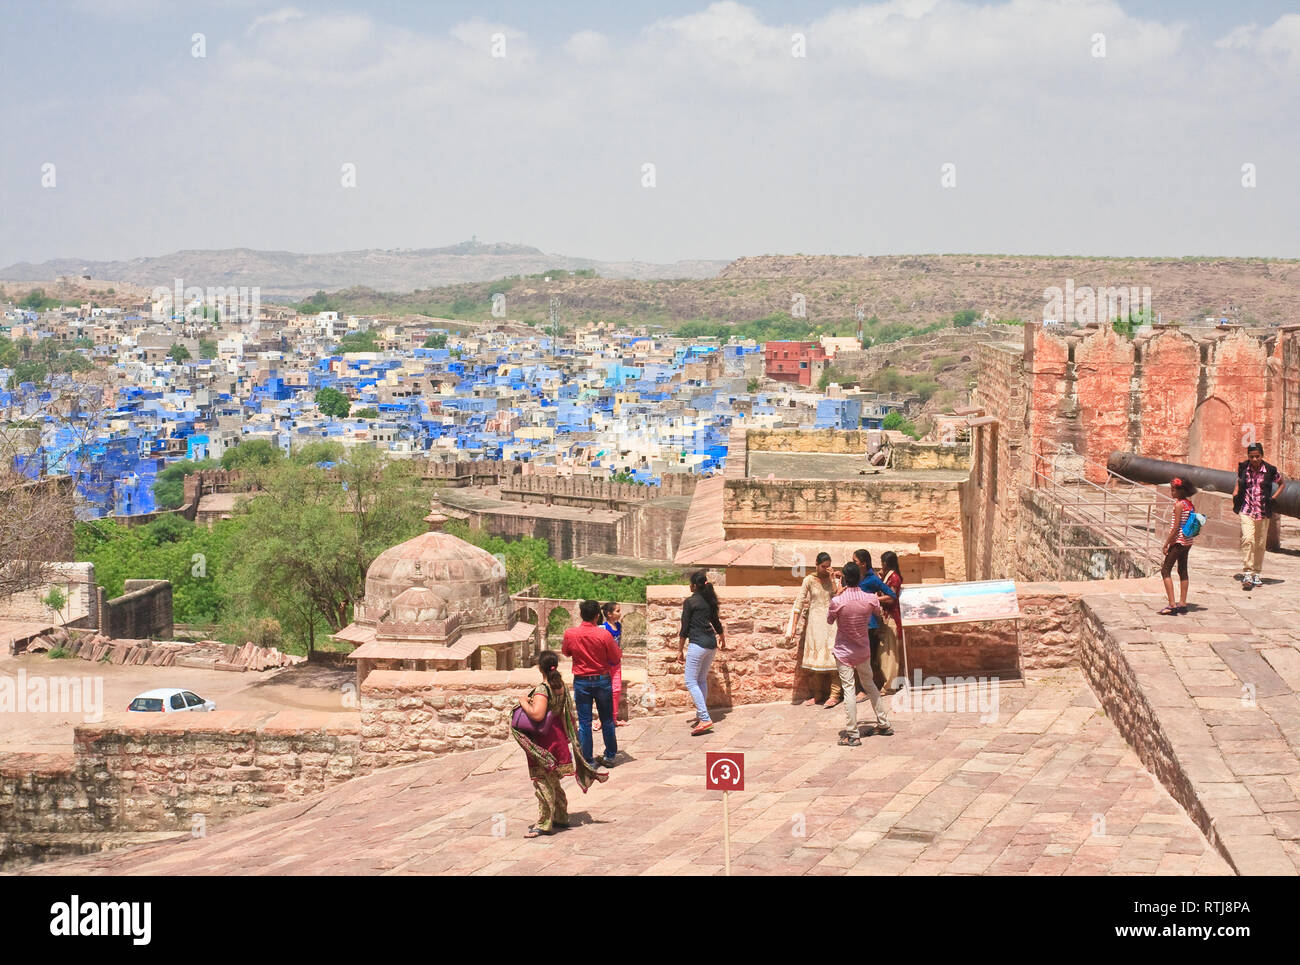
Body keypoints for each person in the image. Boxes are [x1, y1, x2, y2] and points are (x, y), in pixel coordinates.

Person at [512, 649, 607, 838]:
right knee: (553, 780)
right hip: (557, 736)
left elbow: (537, 714)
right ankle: (561, 815)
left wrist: (523, 702)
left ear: (541, 668)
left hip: (544, 741)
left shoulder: (543, 689)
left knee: (542, 782)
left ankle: (544, 823)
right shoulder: (560, 686)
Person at [826, 561, 893, 746]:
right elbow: (877, 612)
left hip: (844, 651)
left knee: (849, 689)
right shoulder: (869, 598)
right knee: (870, 685)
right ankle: (884, 723)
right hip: (863, 649)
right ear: (860, 577)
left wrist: (837, 593)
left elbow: (830, 620)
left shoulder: (838, 601)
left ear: (845, 578)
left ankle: (853, 733)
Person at [561, 599, 620, 768]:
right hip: (602, 679)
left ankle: (588, 759)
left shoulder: (570, 634)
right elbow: (615, 658)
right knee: (607, 719)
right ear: (597, 616)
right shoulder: (604, 635)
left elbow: (566, 652)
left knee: (585, 721)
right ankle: (610, 756)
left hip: (582, 681)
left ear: (581, 615)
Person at [785, 552, 843, 708]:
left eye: (828, 566)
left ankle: (835, 694)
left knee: (833, 660)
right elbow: (800, 601)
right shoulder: (809, 580)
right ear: (816, 565)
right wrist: (793, 626)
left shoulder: (835, 580)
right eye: (823, 566)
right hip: (814, 624)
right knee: (816, 661)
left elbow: (838, 596)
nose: (826, 569)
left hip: (832, 623)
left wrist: (834, 579)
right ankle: (818, 694)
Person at [1232, 443, 1285, 590]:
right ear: (1248, 457)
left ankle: (1256, 572)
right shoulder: (1243, 467)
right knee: (1248, 539)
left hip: (1263, 510)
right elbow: (1239, 480)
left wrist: (1273, 498)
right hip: (1247, 509)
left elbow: (1281, 484)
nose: (1254, 459)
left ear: (1262, 456)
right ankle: (1248, 571)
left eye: (1257, 456)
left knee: (1260, 543)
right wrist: (1236, 492)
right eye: (1251, 456)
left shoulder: (1270, 470)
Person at [678, 570, 725, 736]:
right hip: (711, 644)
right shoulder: (709, 600)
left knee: (691, 681)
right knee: (701, 679)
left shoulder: (690, 602)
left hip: (698, 644)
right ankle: (701, 714)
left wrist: (679, 650)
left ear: (693, 586)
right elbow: (716, 621)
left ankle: (705, 718)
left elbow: (684, 628)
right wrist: (722, 637)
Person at [852, 549, 899, 692]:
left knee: (868, 657)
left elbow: (891, 595)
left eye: (855, 561)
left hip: (870, 623)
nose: (853, 564)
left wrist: (872, 599)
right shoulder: (857, 576)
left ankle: (866, 689)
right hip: (856, 622)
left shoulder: (872, 578)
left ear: (864, 563)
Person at [1159, 477, 1198, 615]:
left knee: (1165, 571)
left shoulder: (1179, 505)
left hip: (1178, 542)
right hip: (1187, 542)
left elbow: (1175, 528)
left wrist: (1166, 543)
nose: (1172, 492)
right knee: (1182, 570)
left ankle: (1172, 605)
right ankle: (1182, 603)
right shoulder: (1190, 504)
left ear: (1181, 491)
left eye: (1174, 490)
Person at [879, 551, 906, 692]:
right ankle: (888, 683)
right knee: (885, 653)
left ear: (885, 563)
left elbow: (891, 597)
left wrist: (875, 599)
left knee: (890, 654)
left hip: (892, 619)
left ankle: (890, 685)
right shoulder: (888, 576)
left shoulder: (894, 577)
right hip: (886, 617)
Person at [599, 601, 627, 728]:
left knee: (616, 690)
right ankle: (603, 718)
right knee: (605, 691)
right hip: (606, 664)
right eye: (617, 611)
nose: (620, 613)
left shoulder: (619, 626)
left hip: (616, 662)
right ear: (609, 614)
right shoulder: (604, 628)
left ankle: (614, 718)